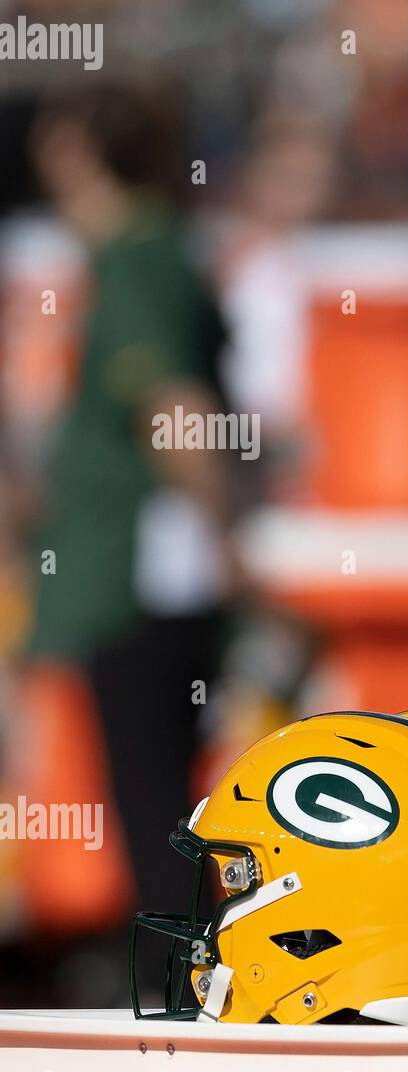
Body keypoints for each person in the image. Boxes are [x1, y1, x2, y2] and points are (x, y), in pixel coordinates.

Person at [26, 82, 237, 927]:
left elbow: (174, 410)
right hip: (142, 570)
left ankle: (180, 990)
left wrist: (230, 542)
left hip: (145, 576)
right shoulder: (150, 254)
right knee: (158, 797)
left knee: (155, 804)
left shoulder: (138, 257)